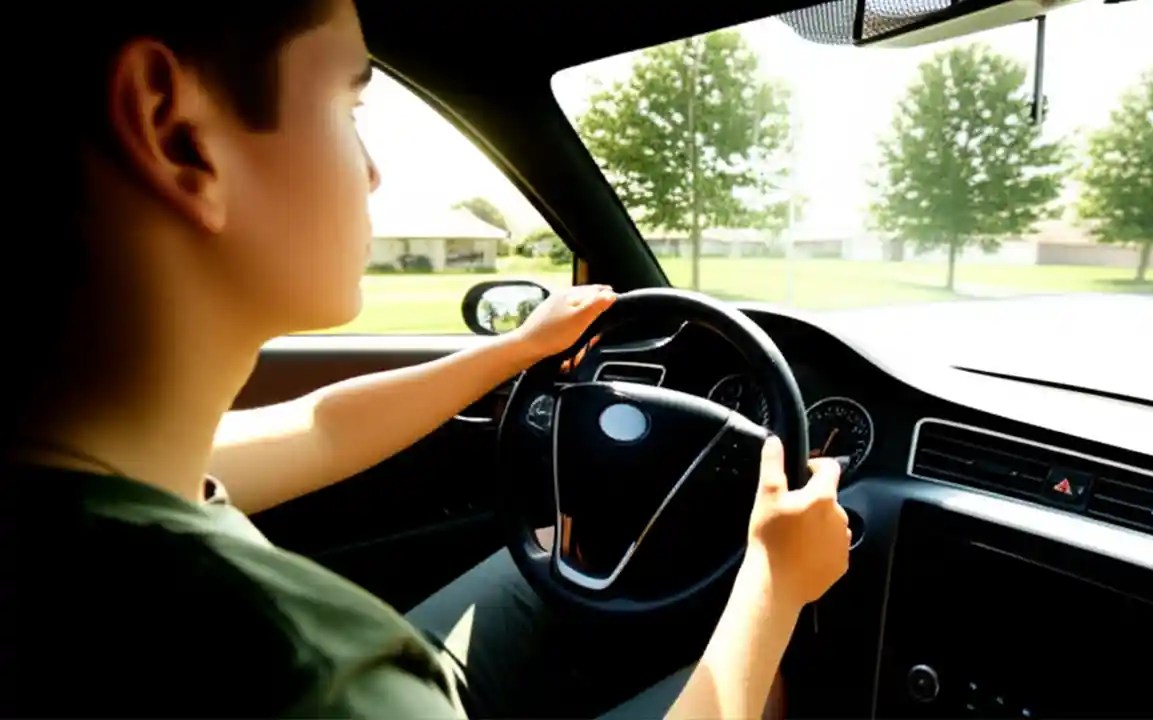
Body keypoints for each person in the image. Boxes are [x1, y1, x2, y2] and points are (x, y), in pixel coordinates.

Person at [0, 0, 852, 717]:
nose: (371, 174)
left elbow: (320, 427)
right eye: (347, 109)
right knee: (766, 679)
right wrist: (775, 584)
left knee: (540, 588)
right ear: (176, 134)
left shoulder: (90, 467)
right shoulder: (319, 675)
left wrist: (516, 351)